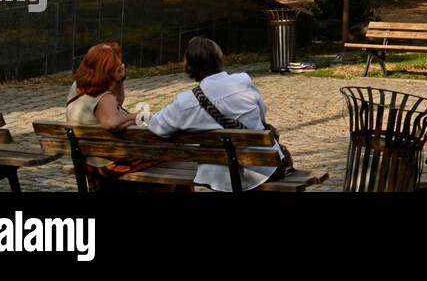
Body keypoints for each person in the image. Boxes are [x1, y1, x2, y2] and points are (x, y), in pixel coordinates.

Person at [147, 36, 285, 192]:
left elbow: (157, 127)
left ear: (189, 67)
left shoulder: (186, 102)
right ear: (219, 59)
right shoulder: (243, 81)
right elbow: (262, 115)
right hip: (264, 169)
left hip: (219, 178)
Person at [65, 42, 155, 186]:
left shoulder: (77, 86)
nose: (120, 66)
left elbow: (117, 103)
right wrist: (137, 116)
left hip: (88, 159)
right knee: (169, 155)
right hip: (109, 163)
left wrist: (120, 80)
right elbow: (111, 122)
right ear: (105, 69)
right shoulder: (103, 97)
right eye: (116, 66)